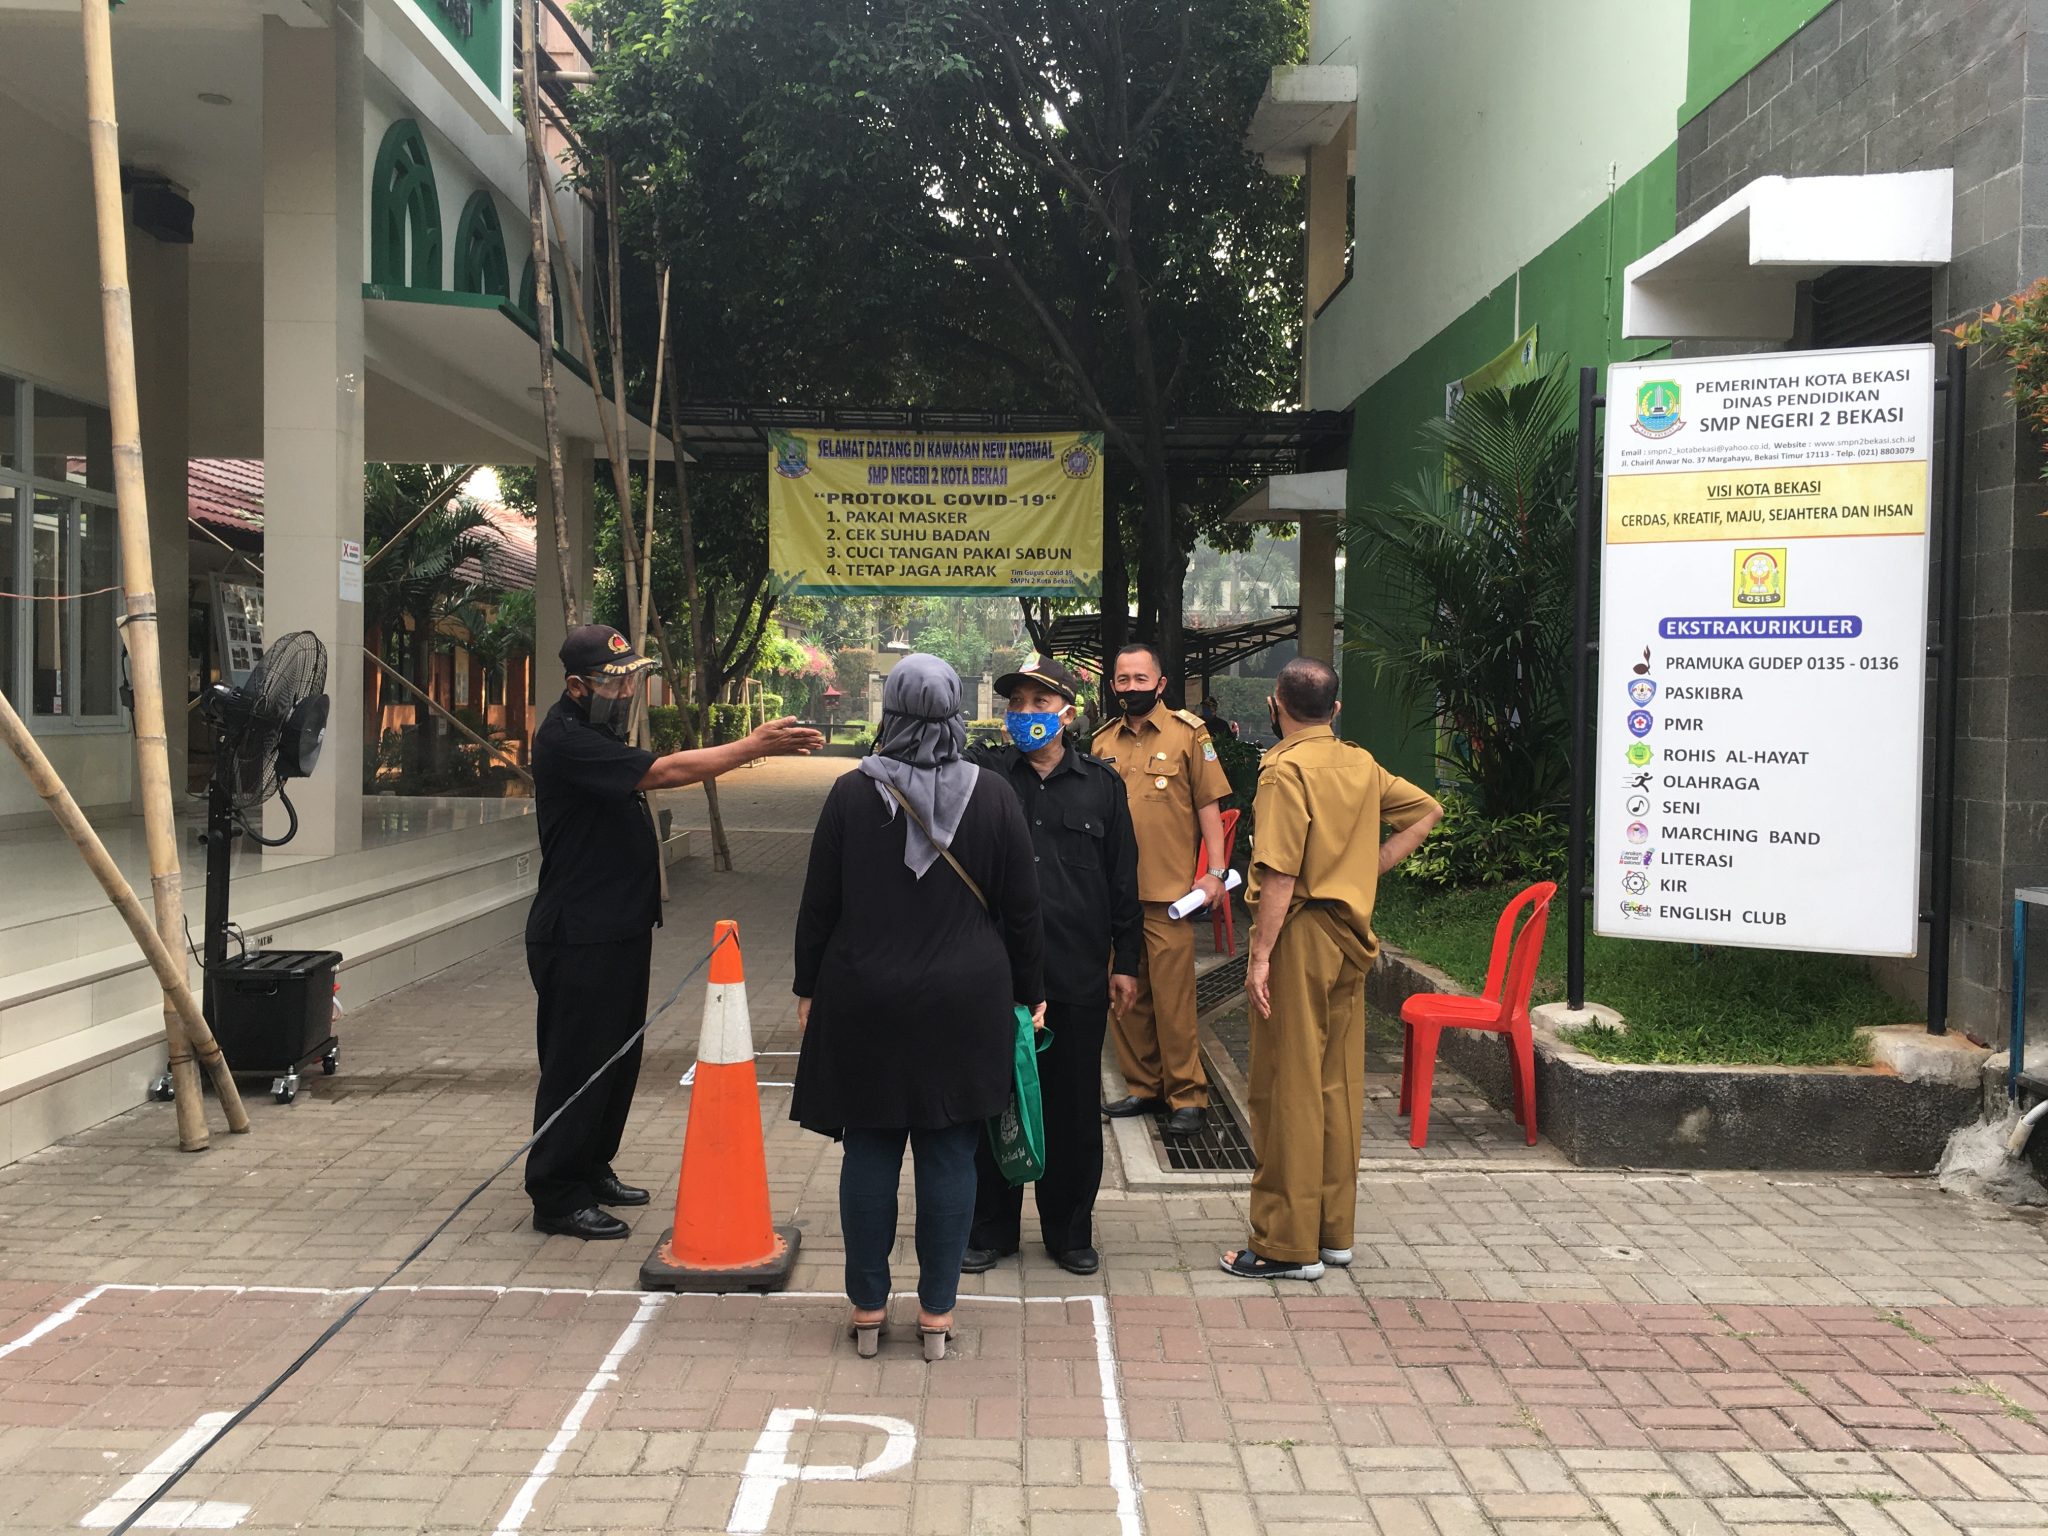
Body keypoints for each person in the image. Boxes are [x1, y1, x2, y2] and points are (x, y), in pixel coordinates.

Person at [526, 624, 822, 1241]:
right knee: (577, 1060)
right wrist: (751, 746)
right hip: (578, 933)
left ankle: (592, 1166)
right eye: (616, 681)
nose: (628, 689)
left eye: (633, 677)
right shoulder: (566, 738)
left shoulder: (598, 732)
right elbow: (665, 772)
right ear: (577, 686)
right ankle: (556, 1192)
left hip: (619, 927)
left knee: (617, 1056)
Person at [792, 654, 1045, 1360]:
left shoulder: (850, 795)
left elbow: (818, 907)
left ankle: (868, 1309)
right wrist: (1034, 994)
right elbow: (1024, 912)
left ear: (890, 714)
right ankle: (937, 1316)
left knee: (869, 1148)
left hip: (864, 997)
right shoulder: (994, 796)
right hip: (966, 1003)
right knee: (949, 1152)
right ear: (957, 715)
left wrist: (807, 988)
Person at [1221, 657, 1444, 1282]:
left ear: (1275, 705)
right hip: (1351, 936)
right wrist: (1362, 869)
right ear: (1335, 709)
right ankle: (1332, 1232)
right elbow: (1427, 810)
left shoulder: (1283, 770)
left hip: (1300, 934)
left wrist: (1259, 955)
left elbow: (1281, 873)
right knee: (1336, 1084)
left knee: (1285, 1084)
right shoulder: (1360, 763)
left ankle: (1286, 1245)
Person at [962, 655, 1141, 1277]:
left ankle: (1070, 1231)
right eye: (1017, 705)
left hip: (1076, 973)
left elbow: (1123, 879)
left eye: (1040, 705)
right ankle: (990, 1228)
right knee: (993, 1100)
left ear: (1068, 713)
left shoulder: (1101, 785)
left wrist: (1129, 961)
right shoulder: (983, 778)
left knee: (1070, 1109)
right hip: (996, 974)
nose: (1026, 716)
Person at [1089, 642, 1234, 1138]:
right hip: (1114, 896)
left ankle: (1187, 1096)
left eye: (1140, 679)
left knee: (1173, 1001)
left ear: (1161, 683)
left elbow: (1208, 806)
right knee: (1125, 997)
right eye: (1123, 680)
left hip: (1168, 897)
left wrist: (1215, 871)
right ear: (1114, 685)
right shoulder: (1102, 741)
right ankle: (1143, 1085)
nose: (1132, 688)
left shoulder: (1190, 735)